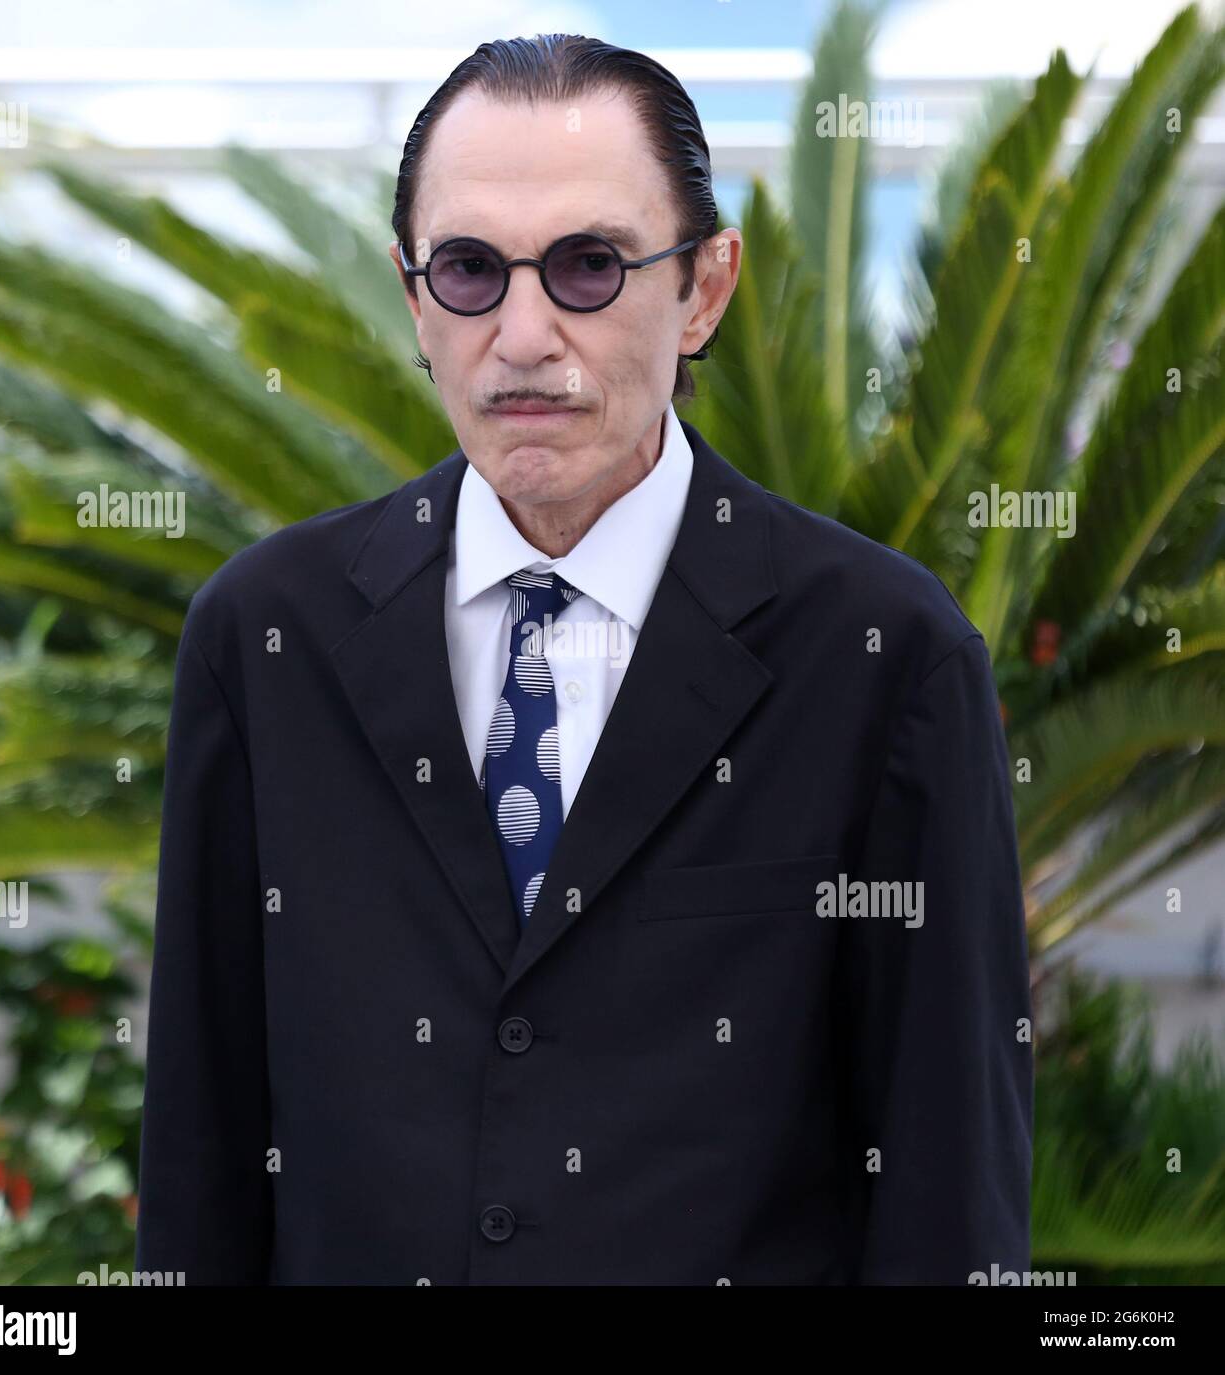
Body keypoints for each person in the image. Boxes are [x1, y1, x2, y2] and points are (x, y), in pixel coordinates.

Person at [135, 33, 1033, 1285]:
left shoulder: (885, 658)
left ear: (705, 289)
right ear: (412, 296)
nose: (522, 333)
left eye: (588, 266)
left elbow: (946, 1182)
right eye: (468, 270)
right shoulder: (264, 637)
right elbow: (200, 1149)